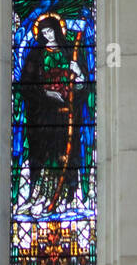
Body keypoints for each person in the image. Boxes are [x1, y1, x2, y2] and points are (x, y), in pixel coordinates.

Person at [19, 13, 87, 214]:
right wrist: (46, 92)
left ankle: (65, 195)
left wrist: (80, 74)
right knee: (42, 153)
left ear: (58, 30)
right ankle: (38, 194)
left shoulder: (70, 53)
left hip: (66, 114)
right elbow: (26, 84)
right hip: (42, 113)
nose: (48, 35)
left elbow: (83, 87)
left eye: (50, 30)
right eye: (44, 32)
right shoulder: (36, 54)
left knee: (64, 153)